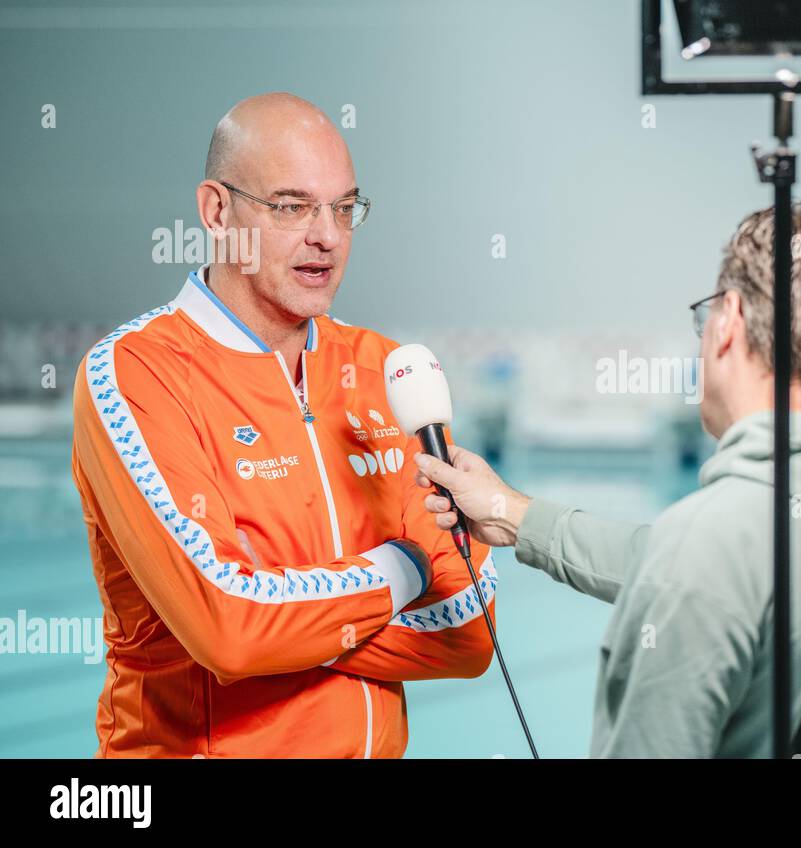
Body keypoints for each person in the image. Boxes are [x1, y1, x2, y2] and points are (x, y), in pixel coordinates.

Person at [415, 203, 801, 758]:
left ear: (729, 322)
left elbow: (702, 574)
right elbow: (697, 573)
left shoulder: (715, 544)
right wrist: (509, 511)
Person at [71, 93, 495, 758]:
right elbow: (230, 631)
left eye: (344, 207)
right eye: (292, 206)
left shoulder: (386, 370)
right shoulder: (137, 372)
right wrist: (404, 568)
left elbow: (468, 637)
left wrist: (281, 612)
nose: (326, 235)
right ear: (217, 211)